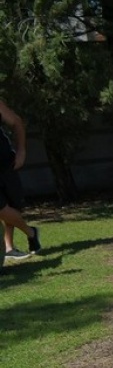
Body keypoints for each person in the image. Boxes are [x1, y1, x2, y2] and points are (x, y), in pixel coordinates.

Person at [1, 98, 41, 263]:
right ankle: (30, 232)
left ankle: (9, 247)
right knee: (1, 208)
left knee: (10, 205)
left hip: (4, 164)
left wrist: (21, 151)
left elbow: (17, 121)